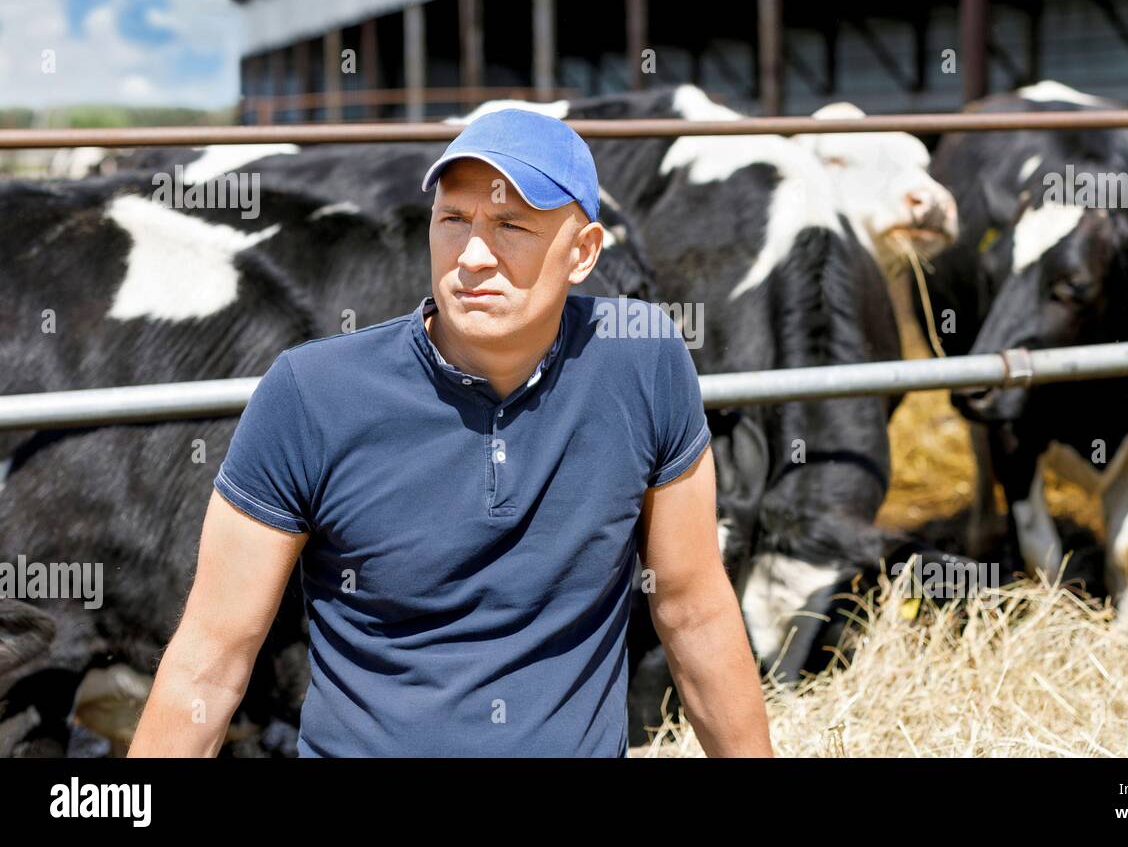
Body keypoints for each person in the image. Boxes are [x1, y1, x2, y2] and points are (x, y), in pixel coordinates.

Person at [128, 108, 773, 757]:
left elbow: (694, 609)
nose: (472, 257)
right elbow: (211, 656)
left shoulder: (643, 361)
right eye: (453, 220)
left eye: (510, 226)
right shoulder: (311, 394)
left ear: (583, 253)